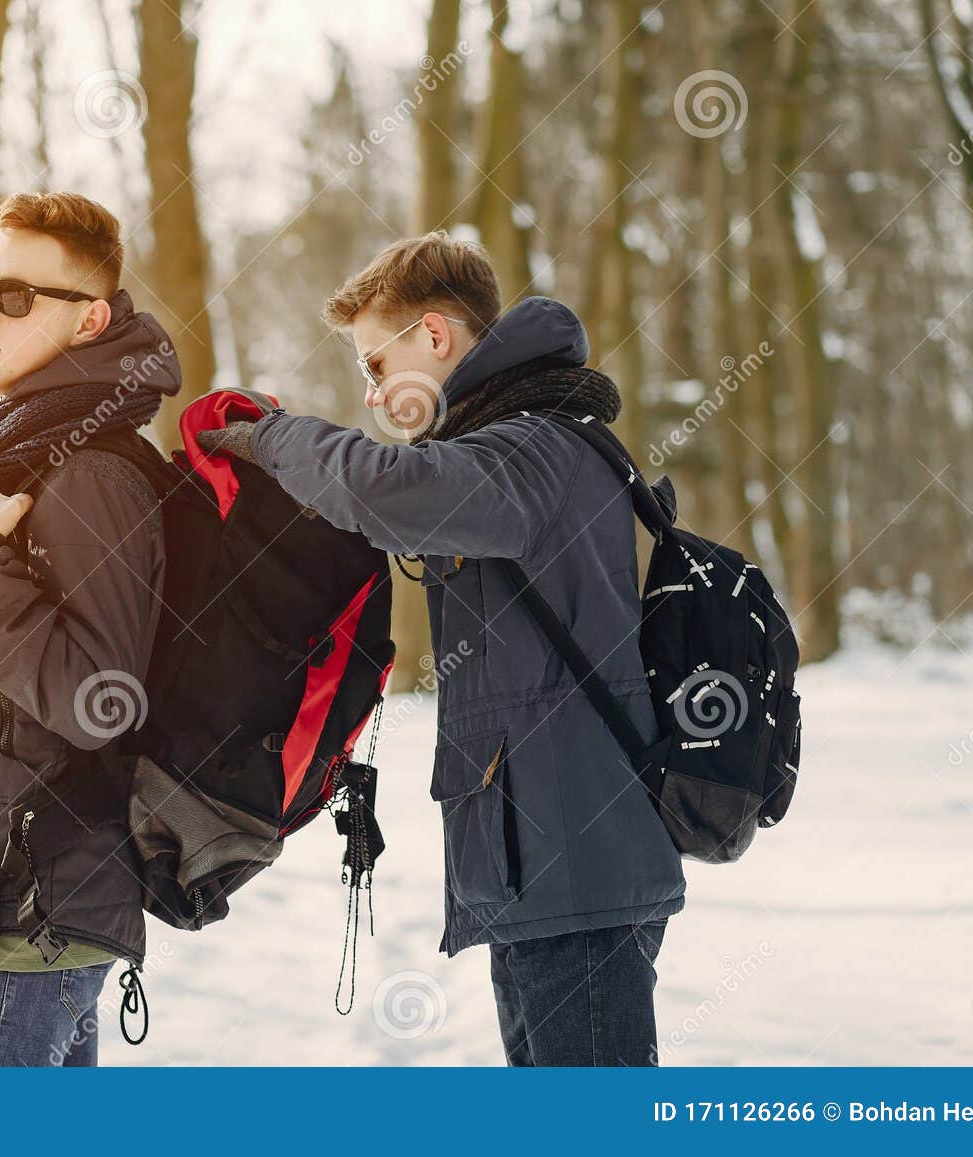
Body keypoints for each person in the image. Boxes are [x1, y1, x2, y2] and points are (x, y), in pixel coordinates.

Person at [196, 232, 685, 1066]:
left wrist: (266, 436)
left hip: (575, 865)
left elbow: (384, 491)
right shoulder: (516, 442)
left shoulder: (536, 445)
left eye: (376, 364)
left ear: (433, 335)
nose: (373, 392)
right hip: (544, 865)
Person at [0, 191, 178, 1066]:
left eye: (15, 294)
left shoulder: (93, 470)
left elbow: (96, 702)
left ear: (89, 319)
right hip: (11, 895)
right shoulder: (15, 447)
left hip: (37, 902)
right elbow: (7, 679)